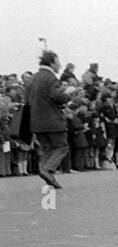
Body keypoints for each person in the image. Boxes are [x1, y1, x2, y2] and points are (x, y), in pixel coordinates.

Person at [22, 50, 71, 189]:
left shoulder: (32, 79)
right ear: (52, 62)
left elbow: (27, 100)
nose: (59, 65)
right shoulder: (51, 78)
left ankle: (45, 171)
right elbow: (57, 97)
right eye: (58, 62)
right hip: (52, 121)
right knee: (62, 146)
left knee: (47, 148)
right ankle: (47, 170)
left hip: (36, 122)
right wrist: (68, 94)